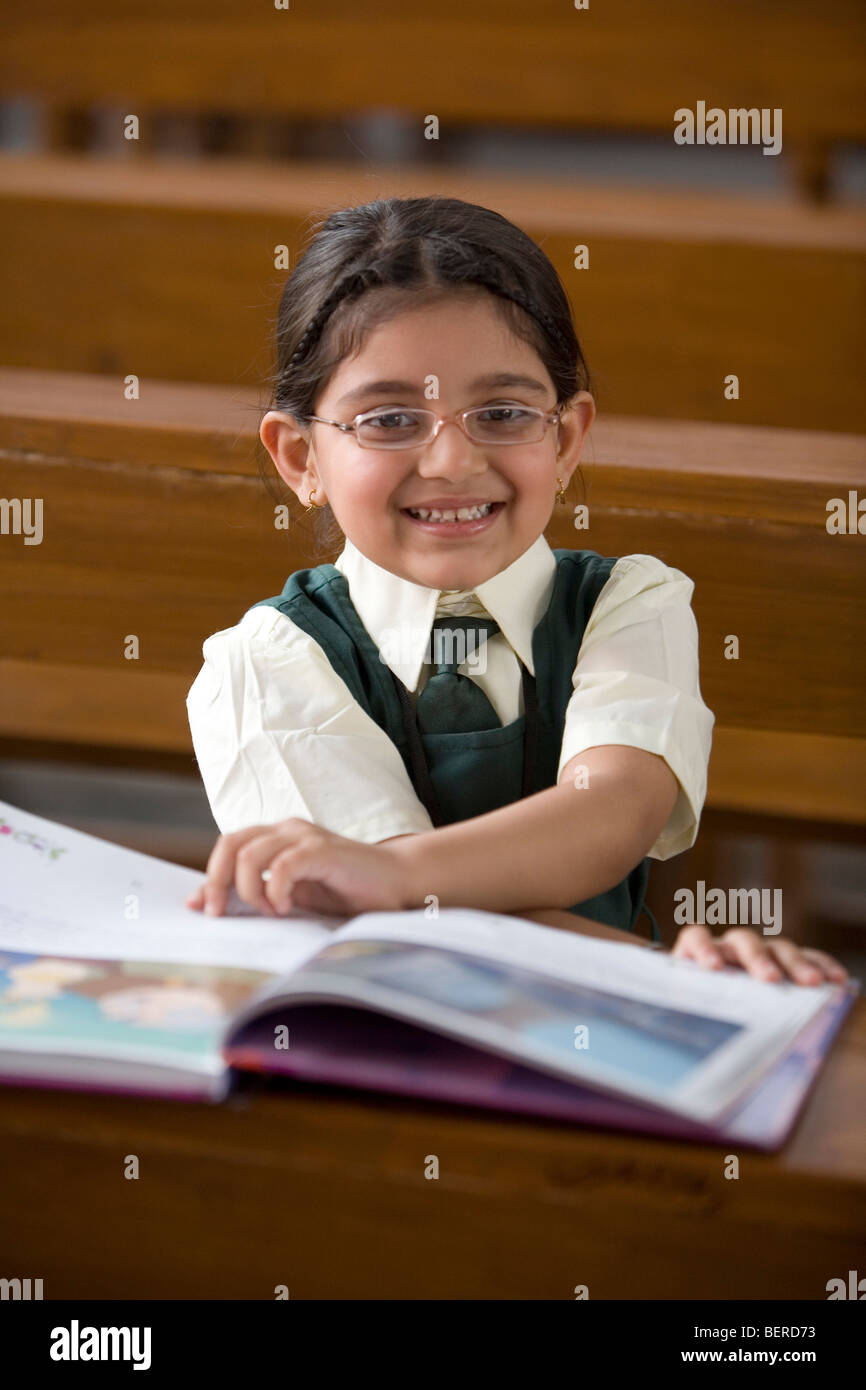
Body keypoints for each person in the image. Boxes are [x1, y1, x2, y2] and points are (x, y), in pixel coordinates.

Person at [186, 195, 846, 989]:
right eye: (391, 419)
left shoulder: (630, 602)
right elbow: (395, 924)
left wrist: (393, 876)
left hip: (613, 1045)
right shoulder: (266, 661)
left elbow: (608, 813)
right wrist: (678, 979)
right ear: (301, 459)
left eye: (501, 412)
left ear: (565, 439)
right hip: (396, 1046)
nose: (453, 463)